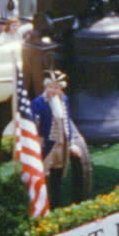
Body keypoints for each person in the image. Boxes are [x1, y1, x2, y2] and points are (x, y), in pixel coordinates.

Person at [30, 70, 88, 208]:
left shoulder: (64, 100)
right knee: (41, 176)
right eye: (50, 86)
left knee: (57, 176)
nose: (53, 90)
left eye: (56, 87)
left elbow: (67, 121)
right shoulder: (38, 103)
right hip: (45, 144)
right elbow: (34, 125)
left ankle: (55, 203)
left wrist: (71, 143)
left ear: (61, 88)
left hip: (61, 145)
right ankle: (39, 205)